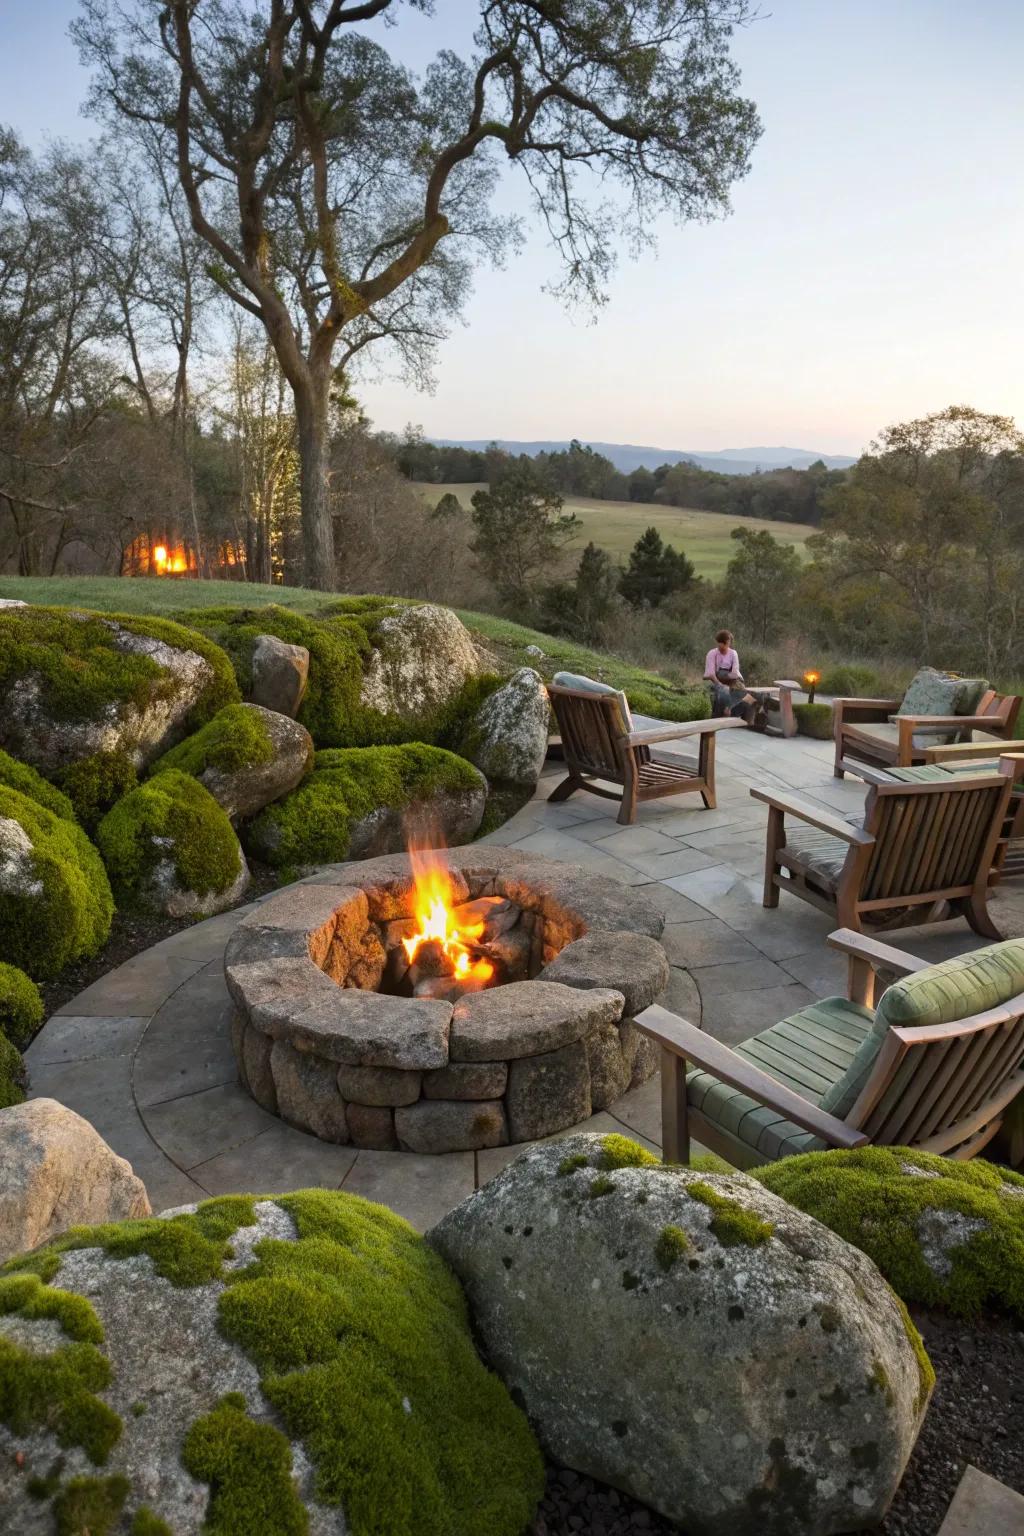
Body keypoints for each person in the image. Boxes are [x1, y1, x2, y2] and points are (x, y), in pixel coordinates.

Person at [704, 630, 755, 721]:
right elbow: (711, 673)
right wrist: (720, 684)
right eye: (721, 644)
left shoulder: (733, 653)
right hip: (717, 678)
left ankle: (733, 711)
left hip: (734, 679)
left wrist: (727, 680)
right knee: (722, 692)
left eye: (726, 644)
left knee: (745, 695)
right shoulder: (712, 653)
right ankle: (722, 714)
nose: (723, 647)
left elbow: (735, 672)